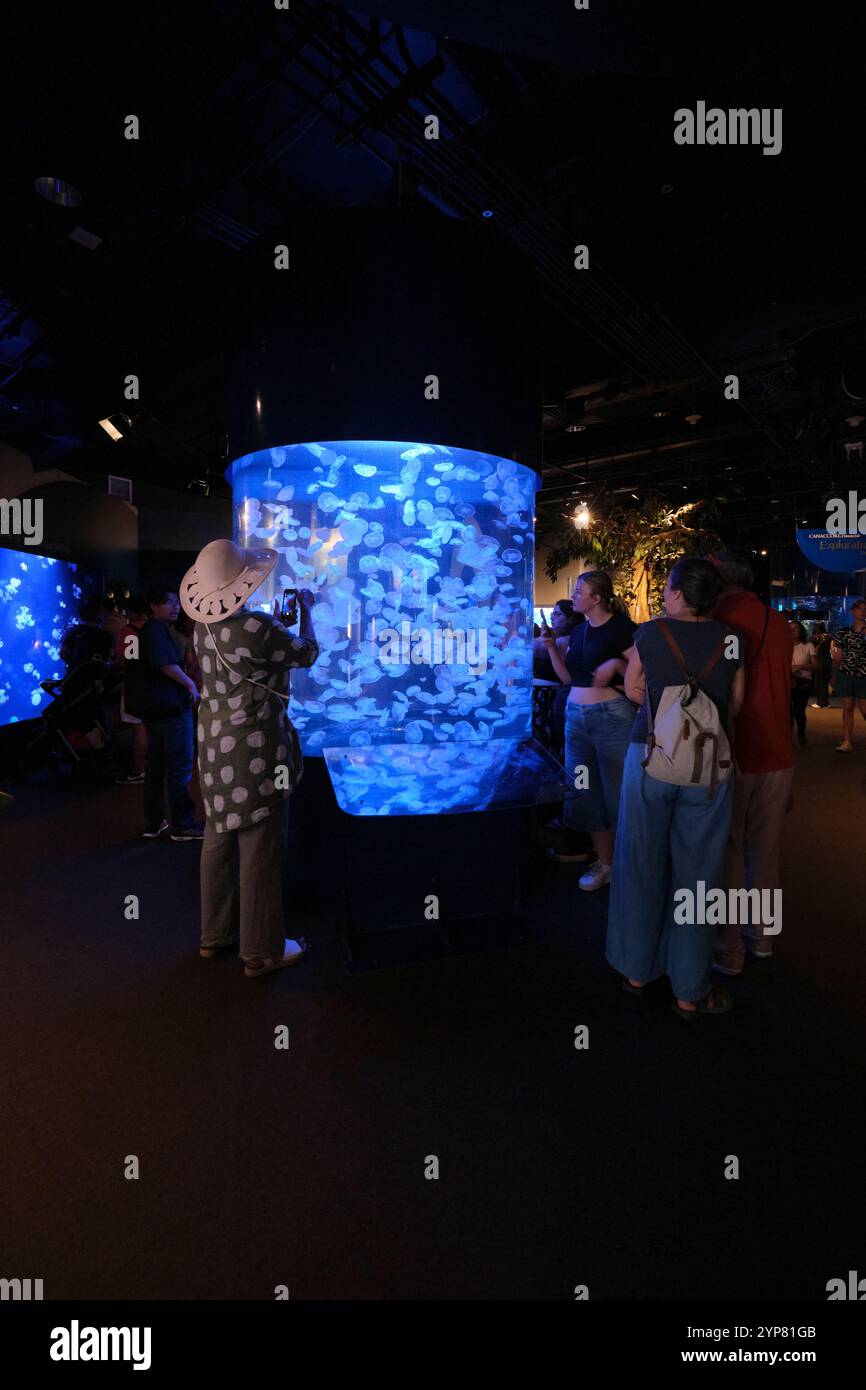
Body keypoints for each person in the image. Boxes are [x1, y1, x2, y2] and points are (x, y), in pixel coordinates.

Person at [606, 557, 745, 1018]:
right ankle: (689, 989)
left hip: (650, 760)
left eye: (668, 587)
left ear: (680, 593)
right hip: (709, 768)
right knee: (700, 875)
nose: (665, 594)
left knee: (639, 862)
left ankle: (637, 971)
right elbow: (735, 702)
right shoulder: (731, 640)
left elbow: (632, 689)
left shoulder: (649, 633)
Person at [180, 539, 319, 979]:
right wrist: (307, 612)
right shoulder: (257, 628)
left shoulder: (201, 630)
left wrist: (274, 622)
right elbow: (306, 653)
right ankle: (260, 952)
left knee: (217, 840)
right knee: (260, 844)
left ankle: (213, 938)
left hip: (213, 747)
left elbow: (247, 648)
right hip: (256, 750)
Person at [710, 551, 794, 973]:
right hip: (779, 750)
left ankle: (728, 950)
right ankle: (761, 938)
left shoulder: (716, 619)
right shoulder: (778, 620)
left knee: (728, 850)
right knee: (766, 850)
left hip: (735, 749)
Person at [541, 571, 636, 888]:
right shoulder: (580, 631)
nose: (575, 595)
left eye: (580, 590)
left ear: (597, 598)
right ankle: (605, 862)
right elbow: (569, 678)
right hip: (576, 716)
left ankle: (629, 864)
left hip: (611, 717)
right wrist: (553, 648)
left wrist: (618, 666)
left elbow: (644, 669)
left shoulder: (622, 629)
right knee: (586, 790)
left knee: (618, 790)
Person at [123, 585, 202, 841]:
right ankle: (183, 824)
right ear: (154, 606)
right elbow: (165, 663)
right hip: (170, 708)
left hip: (153, 709)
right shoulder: (156, 630)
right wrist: (189, 684)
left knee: (156, 767)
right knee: (179, 766)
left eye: (177, 602)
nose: (176, 607)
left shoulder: (146, 631)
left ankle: (154, 822)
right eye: (169, 602)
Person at [115, 597, 149, 785]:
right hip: (155, 683)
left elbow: (127, 660)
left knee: (139, 727)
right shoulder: (156, 628)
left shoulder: (129, 631)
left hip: (136, 684)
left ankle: (139, 770)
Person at [831, 598, 866, 752]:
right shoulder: (843, 632)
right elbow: (838, 656)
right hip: (845, 672)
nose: (862, 612)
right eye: (859, 609)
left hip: (863, 673)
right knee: (848, 706)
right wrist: (833, 675)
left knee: (864, 708)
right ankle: (846, 741)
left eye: (865, 609)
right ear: (853, 611)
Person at [60, 596, 115, 672]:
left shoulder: (73, 631)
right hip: (96, 676)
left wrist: (73, 664)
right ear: (98, 615)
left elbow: (62, 654)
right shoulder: (105, 635)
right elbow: (110, 656)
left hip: (74, 676)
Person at [789, 620, 815, 747]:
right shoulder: (784, 645)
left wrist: (800, 667)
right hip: (787, 681)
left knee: (799, 710)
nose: (793, 631)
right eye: (790, 629)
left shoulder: (808, 645)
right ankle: (788, 736)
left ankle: (801, 732)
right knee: (787, 711)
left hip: (803, 681)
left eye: (795, 628)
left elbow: (815, 665)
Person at [810, 622, 832, 708]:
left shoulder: (813, 637)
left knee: (818, 683)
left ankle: (820, 702)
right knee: (825, 683)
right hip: (827, 660)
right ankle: (826, 701)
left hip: (818, 661)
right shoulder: (828, 636)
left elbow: (813, 650)